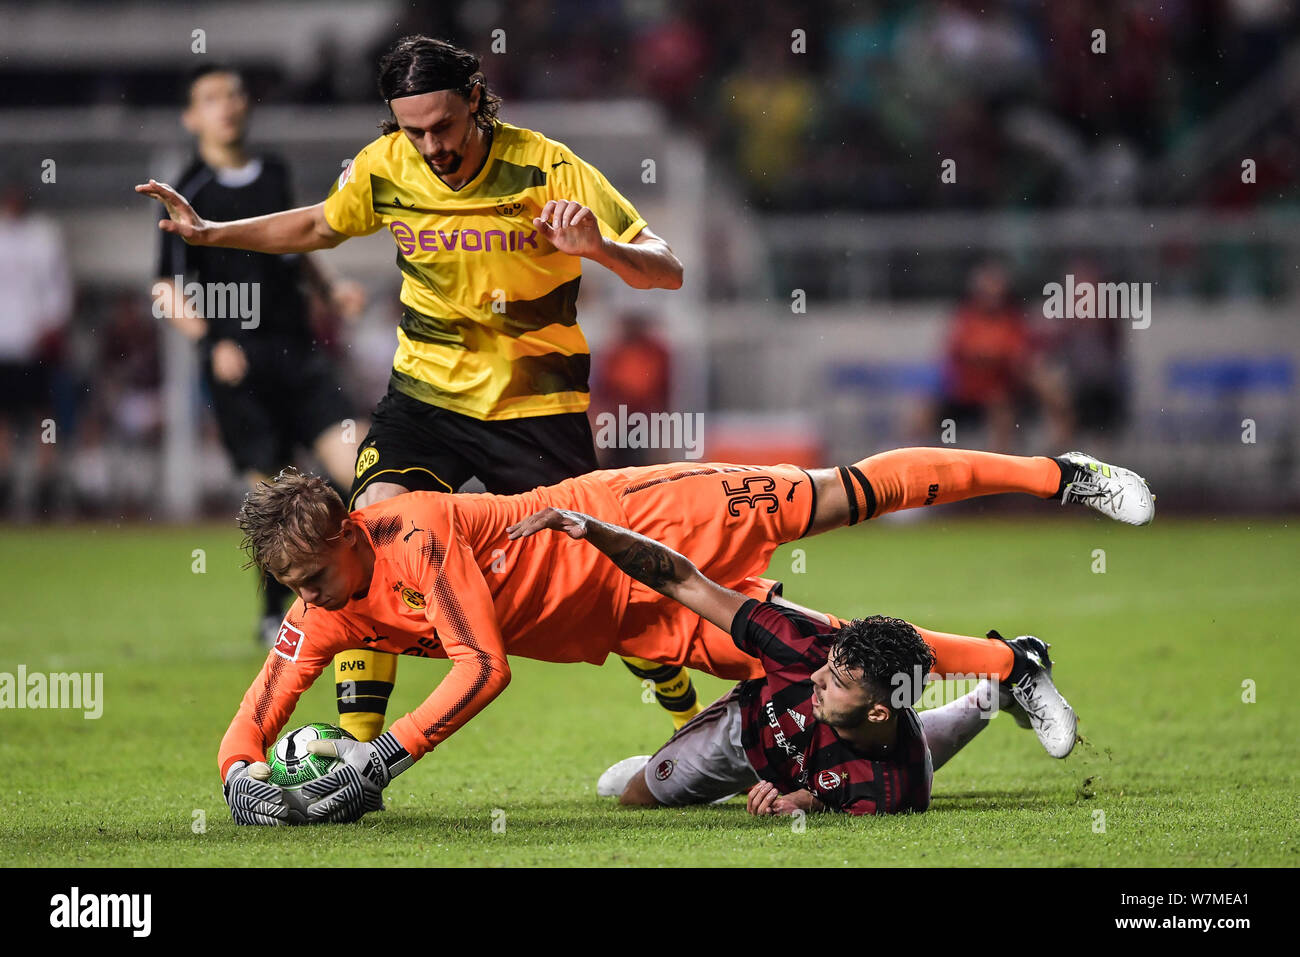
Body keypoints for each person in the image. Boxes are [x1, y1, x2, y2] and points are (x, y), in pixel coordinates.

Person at [138, 36, 697, 739]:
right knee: (371, 531)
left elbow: (667, 268)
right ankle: (359, 756)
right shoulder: (386, 166)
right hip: (425, 402)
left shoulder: (547, 166)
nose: (431, 145)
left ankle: (689, 717)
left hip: (536, 407)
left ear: (474, 100)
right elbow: (317, 223)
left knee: (598, 576)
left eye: (443, 125)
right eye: (413, 130)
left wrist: (601, 249)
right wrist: (213, 234)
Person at [216, 446, 1153, 825]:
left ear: (346, 529)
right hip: (640, 616)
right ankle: (1014, 663)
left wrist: (380, 759)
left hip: (651, 520)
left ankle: (1058, 475)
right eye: (293, 587)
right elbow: (263, 700)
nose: (306, 602)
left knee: (850, 493)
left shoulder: (414, 532)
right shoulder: (328, 601)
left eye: (310, 577)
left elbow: (483, 666)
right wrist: (238, 772)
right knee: (838, 655)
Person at [151, 64, 365, 645]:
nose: (228, 103)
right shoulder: (187, 191)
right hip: (238, 367)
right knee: (275, 498)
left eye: (235, 92)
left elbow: (294, 244)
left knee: (362, 470)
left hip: (299, 354)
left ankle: (369, 594)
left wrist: (330, 289)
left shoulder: (274, 172)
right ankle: (279, 617)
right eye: (212, 97)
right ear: (191, 117)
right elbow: (165, 290)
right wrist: (212, 342)